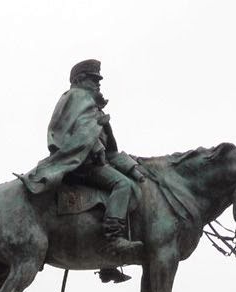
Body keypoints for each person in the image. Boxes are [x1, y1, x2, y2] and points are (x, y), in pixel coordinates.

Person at [22, 59, 145, 255]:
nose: (98, 84)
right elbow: (67, 133)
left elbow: (111, 152)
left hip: (93, 164)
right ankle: (113, 240)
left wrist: (134, 168)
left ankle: (107, 263)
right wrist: (93, 146)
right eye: (93, 79)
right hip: (80, 165)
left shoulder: (94, 108)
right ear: (79, 80)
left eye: (98, 80)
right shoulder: (76, 97)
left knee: (129, 183)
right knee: (123, 185)